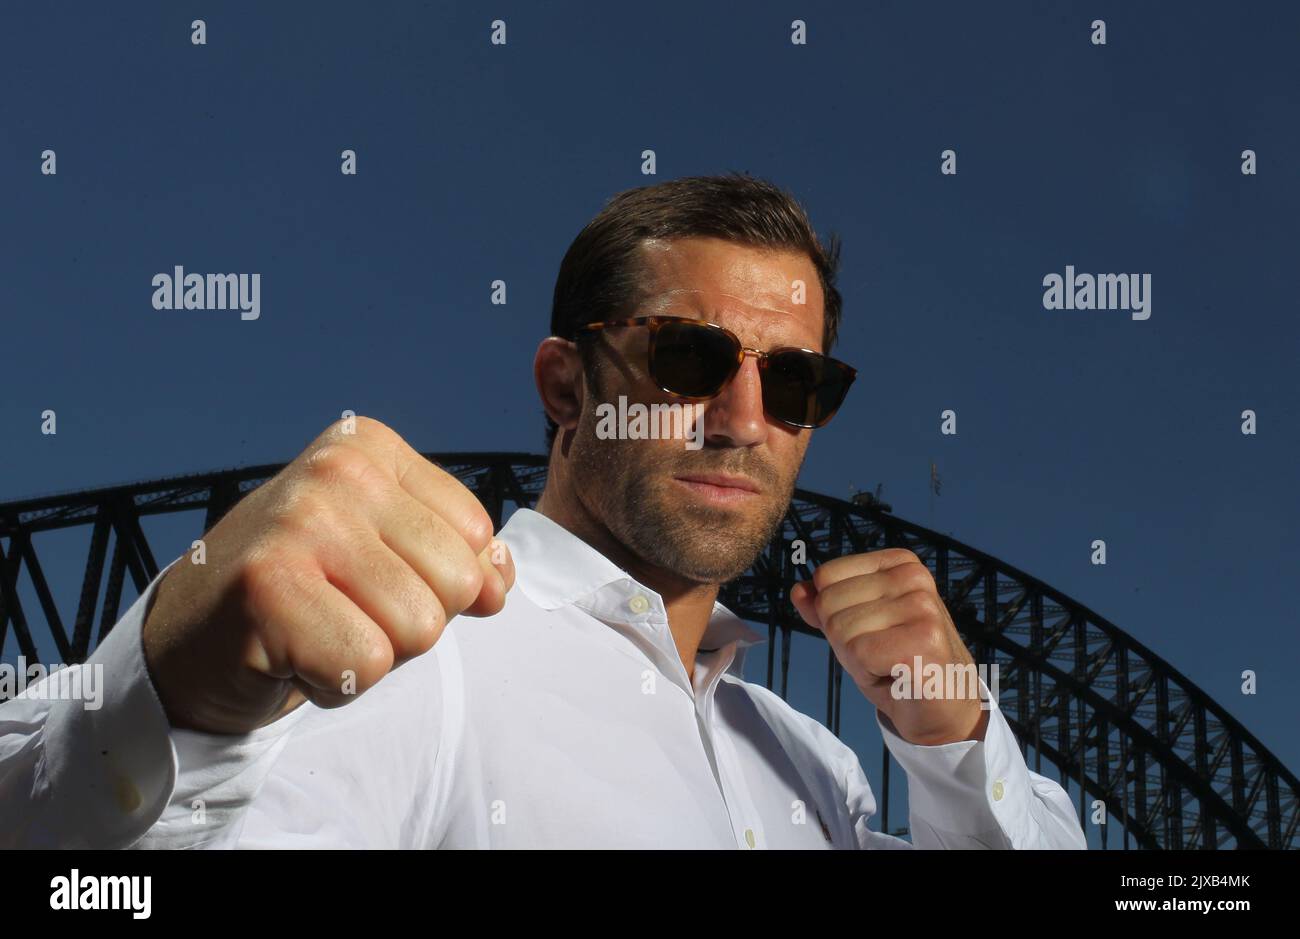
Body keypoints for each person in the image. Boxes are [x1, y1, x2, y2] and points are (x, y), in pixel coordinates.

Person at [0, 172, 1086, 849]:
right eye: (692, 357)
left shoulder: (812, 762)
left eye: (799, 384)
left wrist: (955, 744)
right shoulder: (413, 657)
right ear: (567, 387)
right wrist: (169, 695)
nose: (747, 420)